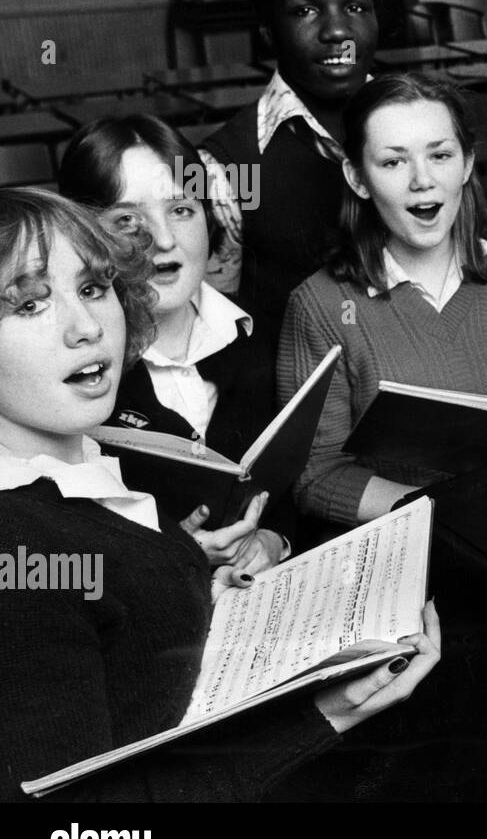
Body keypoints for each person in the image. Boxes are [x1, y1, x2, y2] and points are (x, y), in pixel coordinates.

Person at [0, 188, 440, 802]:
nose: (85, 328)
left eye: (94, 288)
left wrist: (189, 580)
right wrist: (326, 713)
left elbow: (119, 654)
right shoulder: (18, 559)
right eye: (28, 304)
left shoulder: (75, 465)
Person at [279, 72, 487, 527]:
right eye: (393, 163)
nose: (422, 180)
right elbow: (317, 475)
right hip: (410, 545)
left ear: (468, 163)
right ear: (357, 178)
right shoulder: (320, 305)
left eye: (441, 155)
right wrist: (446, 509)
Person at [59, 116, 290, 548]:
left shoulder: (265, 333)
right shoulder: (73, 367)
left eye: (181, 209)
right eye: (127, 219)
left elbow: (300, 484)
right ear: (84, 236)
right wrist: (172, 558)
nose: (163, 239)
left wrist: (275, 541)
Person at [201, 0, 382, 342]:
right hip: (300, 391)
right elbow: (217, 326)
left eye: (355, 6)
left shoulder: (422, 127)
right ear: (268, 31)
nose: (338, 30)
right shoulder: (222, 167)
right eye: (305, 11)